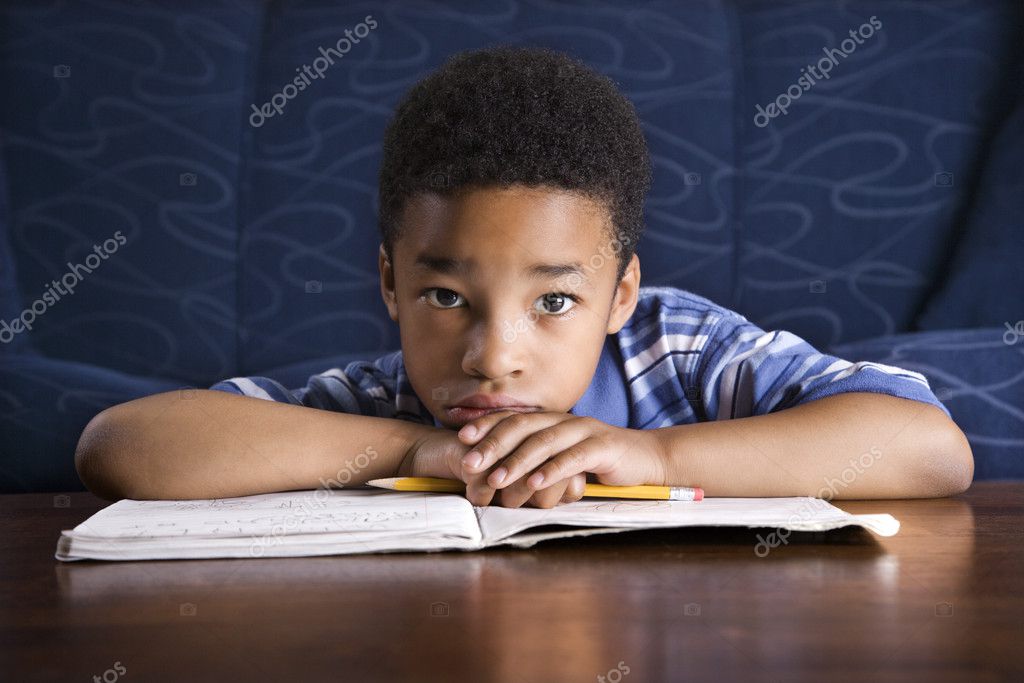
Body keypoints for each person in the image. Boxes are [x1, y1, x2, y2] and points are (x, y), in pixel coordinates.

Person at [75, 46, 972, 507]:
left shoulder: (678, 353)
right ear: (389, 284)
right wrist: (409, 453)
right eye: (445, 297)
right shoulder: (382, 406)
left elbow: (931, 448)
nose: (492, 356)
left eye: (554, 300)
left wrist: (656, 457)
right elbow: (119, 447)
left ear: (621, 295)